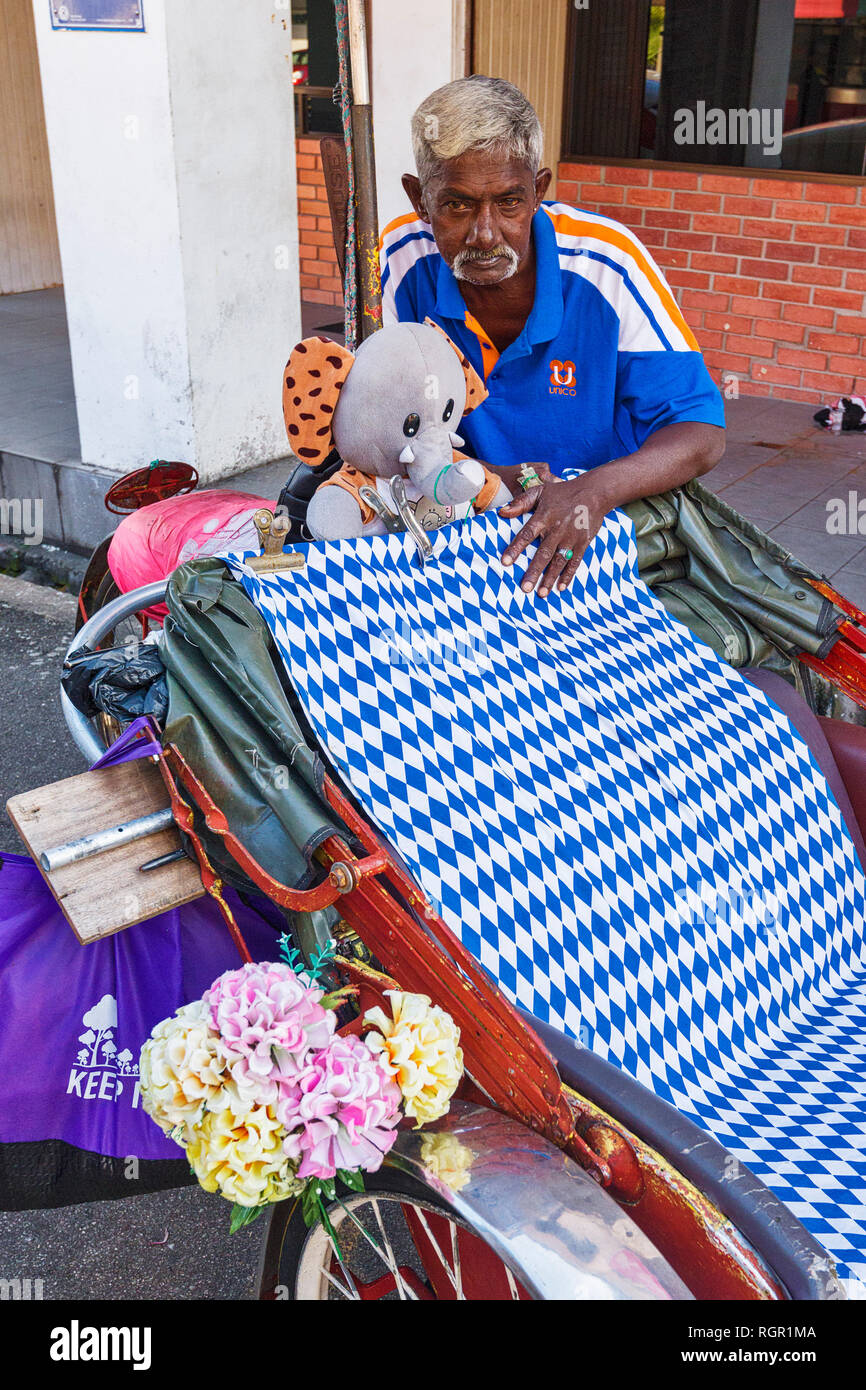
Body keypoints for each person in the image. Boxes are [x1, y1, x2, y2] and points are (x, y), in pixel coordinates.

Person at [379, 75, 726, 599]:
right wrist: (487, 477)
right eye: (457, 206)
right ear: (418, 198)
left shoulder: (610, 263)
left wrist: (592, 490)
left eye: (510, 203)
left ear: (539, 191)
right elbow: (388, 423)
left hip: (605, 528)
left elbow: (700, 432)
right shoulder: (401, 258)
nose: (485, 234)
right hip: (466, 520)